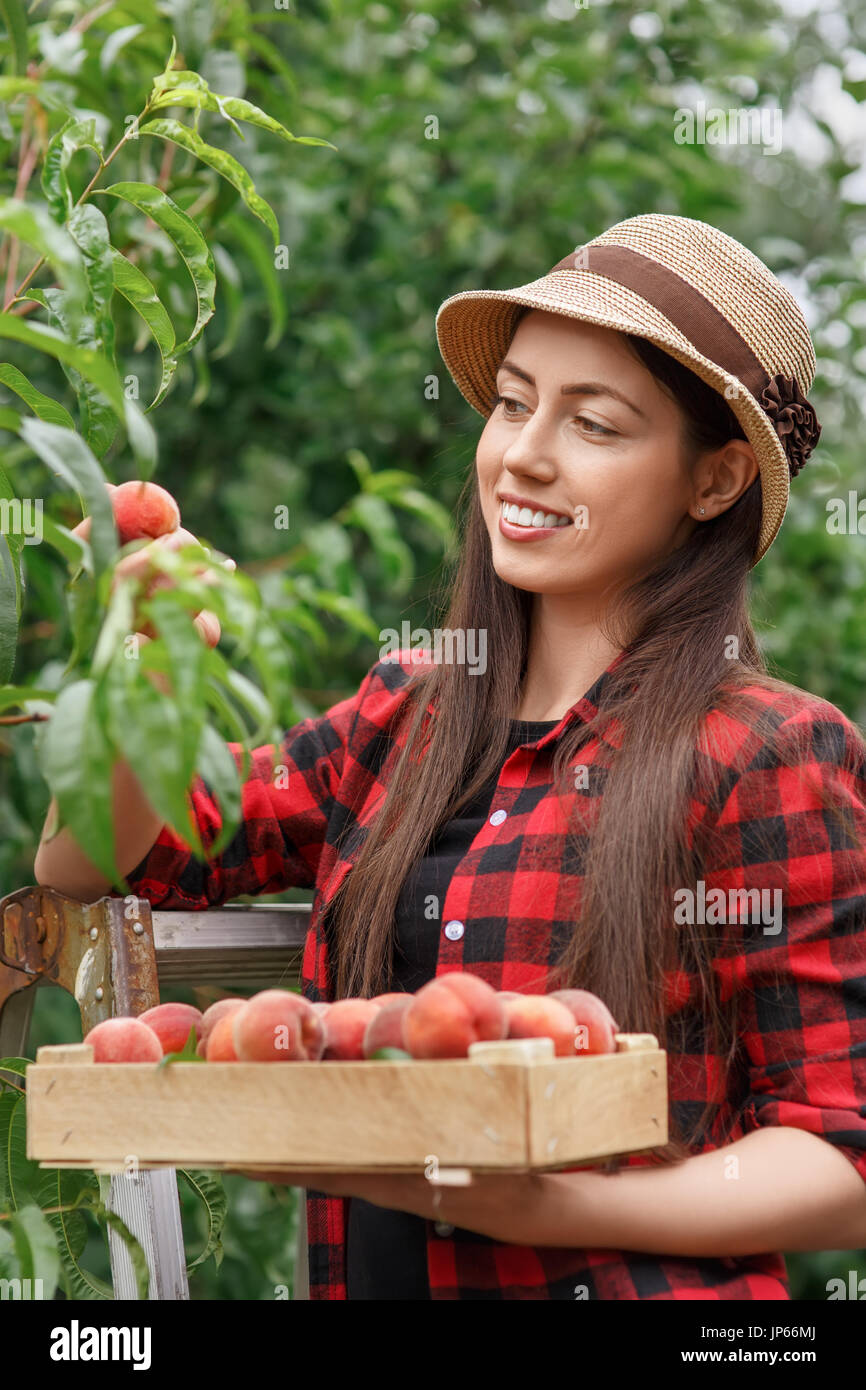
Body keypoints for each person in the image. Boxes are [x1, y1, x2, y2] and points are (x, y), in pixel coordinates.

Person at [35, 213, 866, 1301]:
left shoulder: (765, 752)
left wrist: (548, 1206)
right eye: (514, 402)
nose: (522, 451)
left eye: (595, 424)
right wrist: (138, 668)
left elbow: (837, 1157)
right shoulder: (404, 718)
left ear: (711, 482)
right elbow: (92, 862)